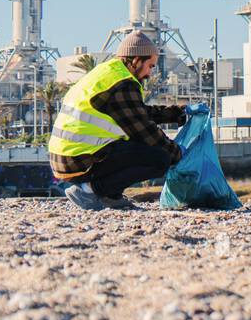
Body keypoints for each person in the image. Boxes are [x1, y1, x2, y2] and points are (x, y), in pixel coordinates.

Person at [48, 31, 189, 211]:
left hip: (68, 158)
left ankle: (110, 195)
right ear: (137, 60)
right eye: (150, 66)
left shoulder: (109, 73)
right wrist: (177, 154)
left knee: (142, 150)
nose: (149, 73)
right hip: (80, 160)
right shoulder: (123, 84)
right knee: (159, 158)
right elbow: (145, 131)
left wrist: (173, 114)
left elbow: (136, 113)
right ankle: (89, 191)